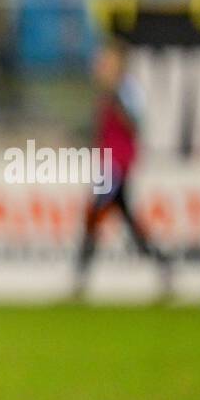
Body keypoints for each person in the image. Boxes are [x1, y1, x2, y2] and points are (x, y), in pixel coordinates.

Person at [75, 41, 172, 297]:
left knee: (94, 213)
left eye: (106, 61)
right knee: (126, 220)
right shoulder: (106, 93)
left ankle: (79, 278)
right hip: (110, 163)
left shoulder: (127, 90)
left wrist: (115, 99)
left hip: (119, 164)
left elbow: (134, 126)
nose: (101, 66)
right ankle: (163, 264)